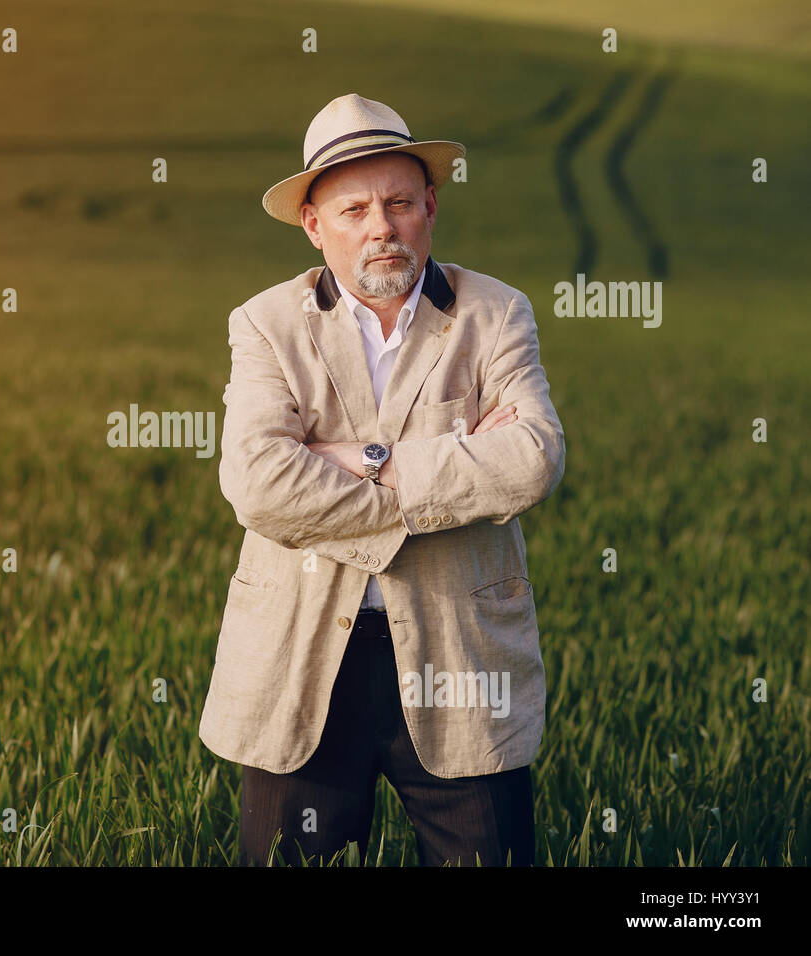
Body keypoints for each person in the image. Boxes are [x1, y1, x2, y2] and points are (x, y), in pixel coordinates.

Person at [197, 93, 566, 866]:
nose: (381, 226)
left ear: (430, 206)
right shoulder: (265, 324)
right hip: (300, 661)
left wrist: (349, 459)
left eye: (399, 202)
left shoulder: (495, 314)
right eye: (354, 208)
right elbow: (259, 484)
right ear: (313, 224)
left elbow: (532, 457)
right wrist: (455, 461)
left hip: (461, 659)